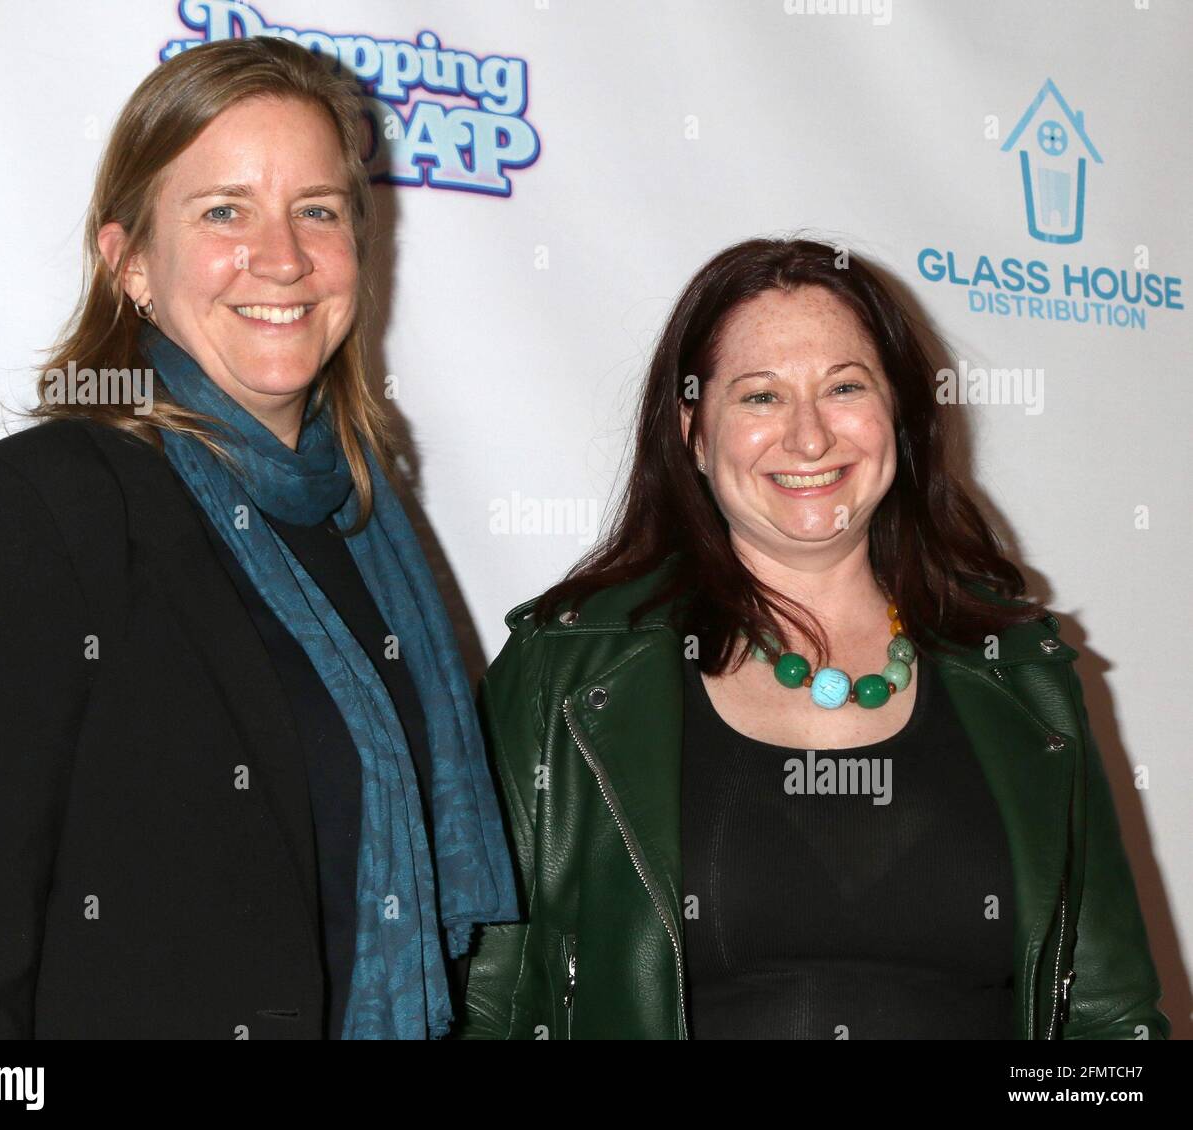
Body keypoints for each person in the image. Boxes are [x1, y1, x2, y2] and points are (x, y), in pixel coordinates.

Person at [0, 35, 515, 1040]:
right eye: (224, 210)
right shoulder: (34, 510)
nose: (282, 257)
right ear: (130, 259)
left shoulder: (368, 521)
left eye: (317, 209)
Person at [458, 238, 1169, 1040]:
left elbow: (1110, 1028)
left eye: (844, 387)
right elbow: (484, 1009)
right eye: (760, 397)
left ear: (899, 412)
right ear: (693, 429)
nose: (808, 438)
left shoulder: (1025, 672)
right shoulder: (564, 669)